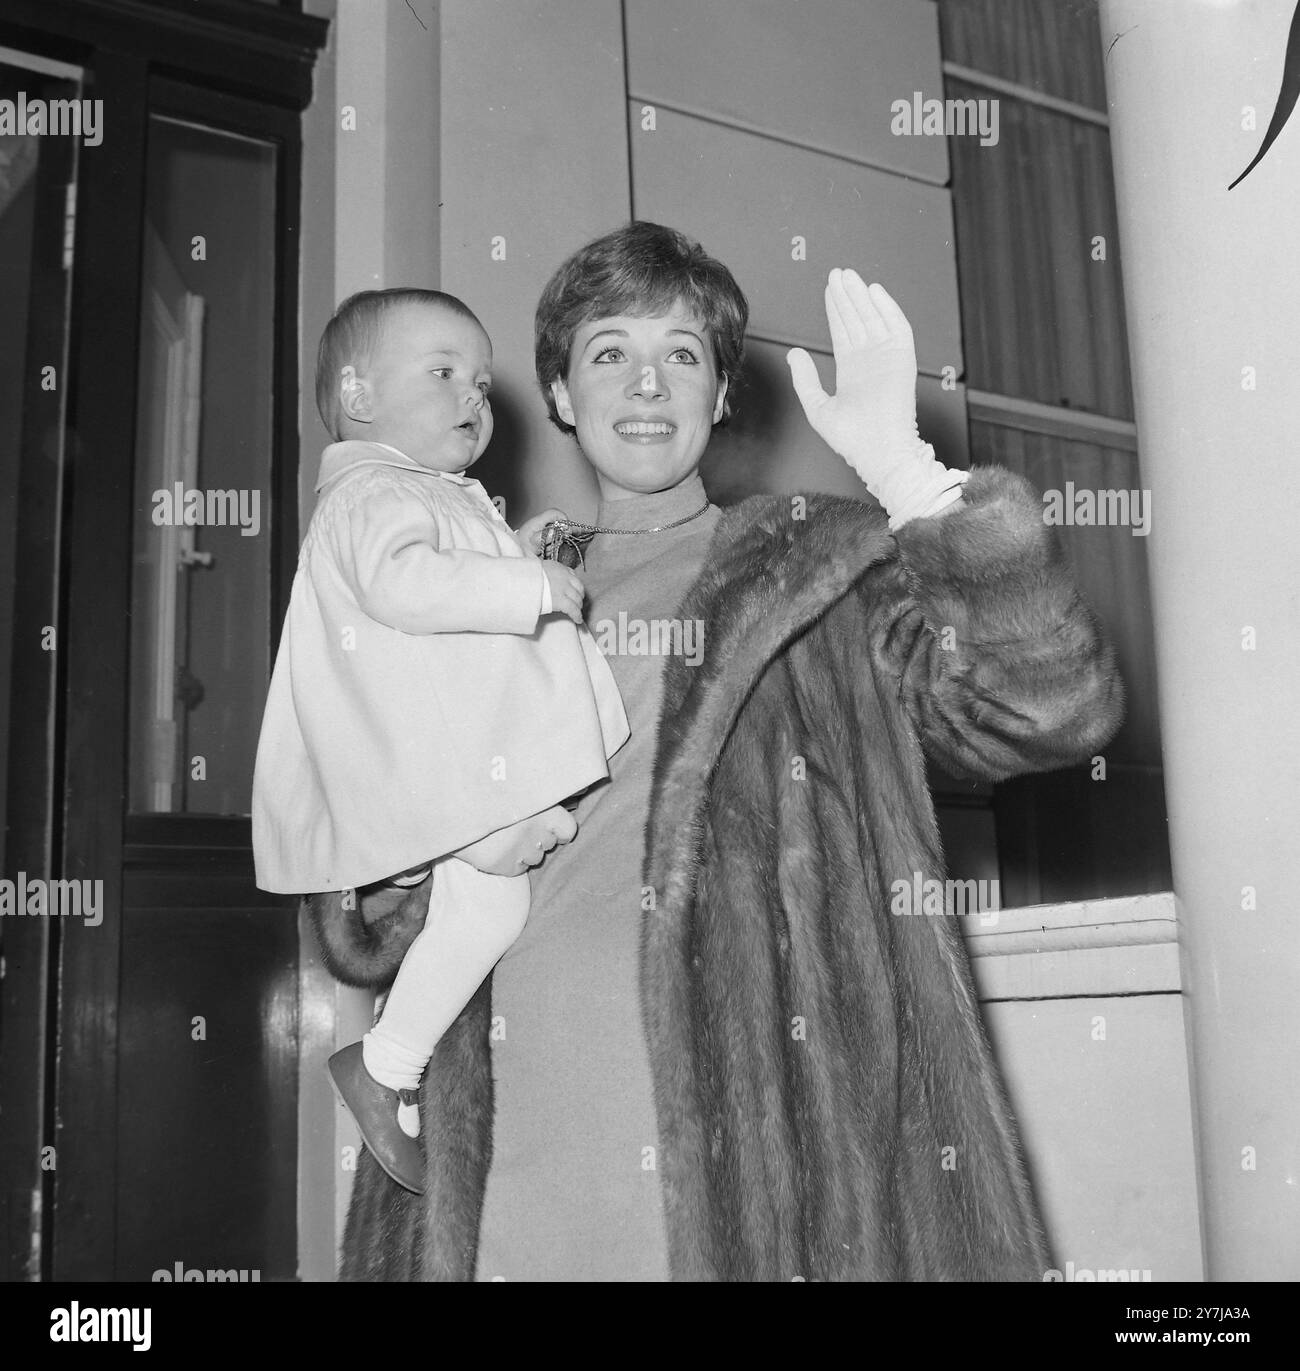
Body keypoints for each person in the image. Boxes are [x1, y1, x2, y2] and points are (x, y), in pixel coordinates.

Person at [313, 223, 1124, 1281]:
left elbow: (1050, 708)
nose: (644, 384)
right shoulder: (477, 588)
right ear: (559, 392)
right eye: (608, 351)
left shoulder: (819, 576)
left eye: (682, 354)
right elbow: (368, 921)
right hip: (499, 1142)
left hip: (756, 1153)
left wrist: (911, 479)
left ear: (719, 395)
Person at [252, 287, 628, 1196]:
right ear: (358, 397)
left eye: (482, 382)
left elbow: (449, 584)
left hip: (452, 754)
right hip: (438, 763)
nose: (474, 396)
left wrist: (517, 554)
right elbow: (406, 584)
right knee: (497, 893)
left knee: (490, 910)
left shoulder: (421, 490)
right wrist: (523, 587)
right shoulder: (371, 492)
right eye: (443, 372)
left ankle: (385, 1065)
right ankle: (387, 1066)